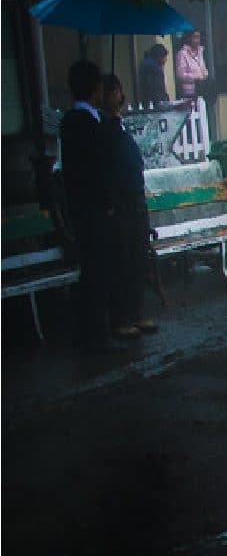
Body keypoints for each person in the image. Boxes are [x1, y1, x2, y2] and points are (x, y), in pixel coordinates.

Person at [59, 60, 120, 352]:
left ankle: (89, 331)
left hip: (80, 208)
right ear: (95, 89)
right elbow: (97, 170)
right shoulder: (88, 124)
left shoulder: (70, 121)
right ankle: (98, 333)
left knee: (92, 269)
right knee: (98, 270)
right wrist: (107, 202)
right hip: (93, 209)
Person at [99, 74, 158, 339]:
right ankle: (121, 316)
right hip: (121, 200)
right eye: (113, 92)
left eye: (119, 91)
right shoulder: (103, 128)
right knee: (122, 260)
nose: (118, 96)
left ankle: (136, 311)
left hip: (135, 198)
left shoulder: (119, 125)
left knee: (137, 258)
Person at [175, 30, 209, 102]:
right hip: (189, 92)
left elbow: (203, 68)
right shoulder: (182, 53)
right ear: (188, 39)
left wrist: (205, 74)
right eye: (195, 37)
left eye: (198, 38)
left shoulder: (200, 51)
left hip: (203, 89)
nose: (197, 40)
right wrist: (197, 77)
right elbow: (181, 75)